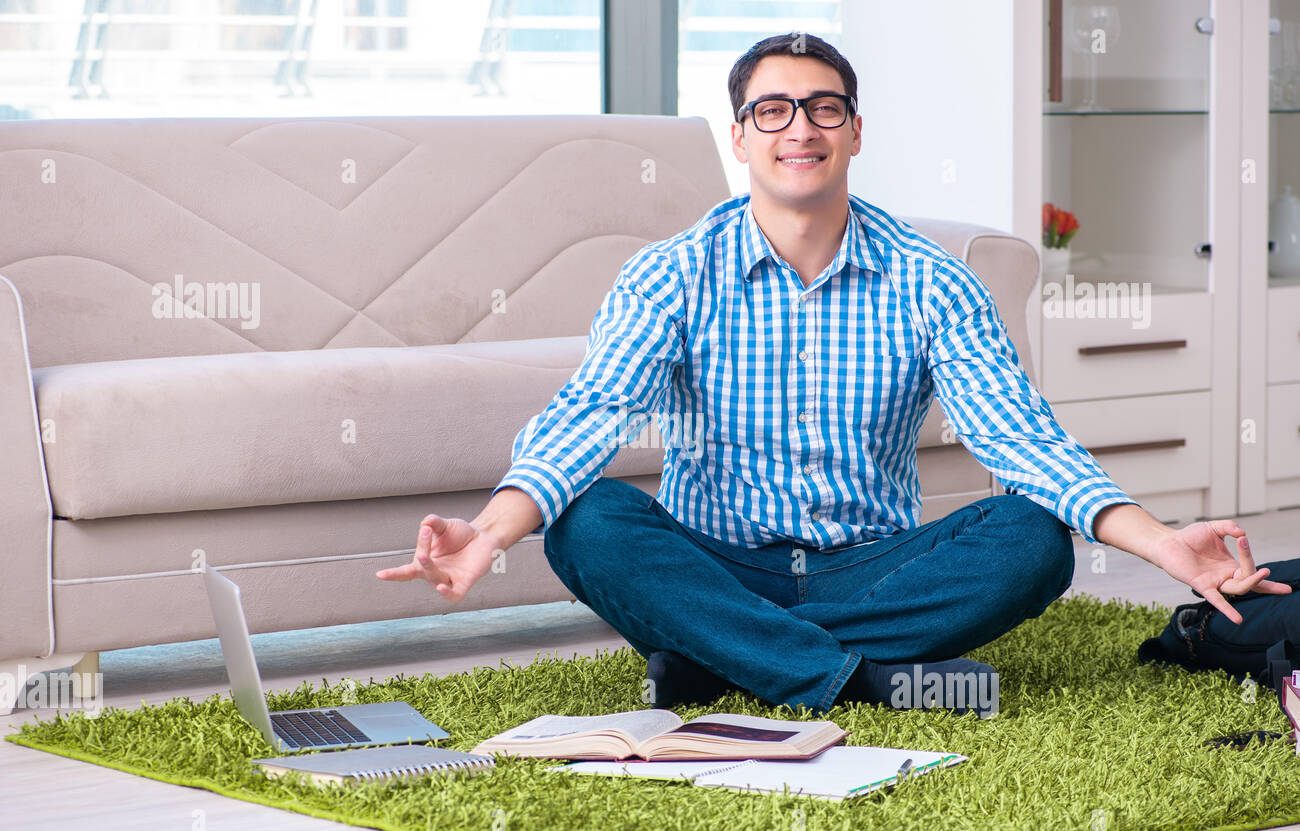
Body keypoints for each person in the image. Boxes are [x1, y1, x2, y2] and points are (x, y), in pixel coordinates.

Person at [377, 33, 1291, 717]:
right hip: (718, 561)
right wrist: (489, 531)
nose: (800, 128)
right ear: (741, 137)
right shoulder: (671, 273)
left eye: (823, 108)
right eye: (772, 110)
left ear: (854, 131)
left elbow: (1020, 437)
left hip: (871, 569)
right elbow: (593, 411)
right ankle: (864, 679)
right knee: (589, 519)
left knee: (1035, 537)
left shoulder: (933, 279)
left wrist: (1159, 540)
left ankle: (719, 660)